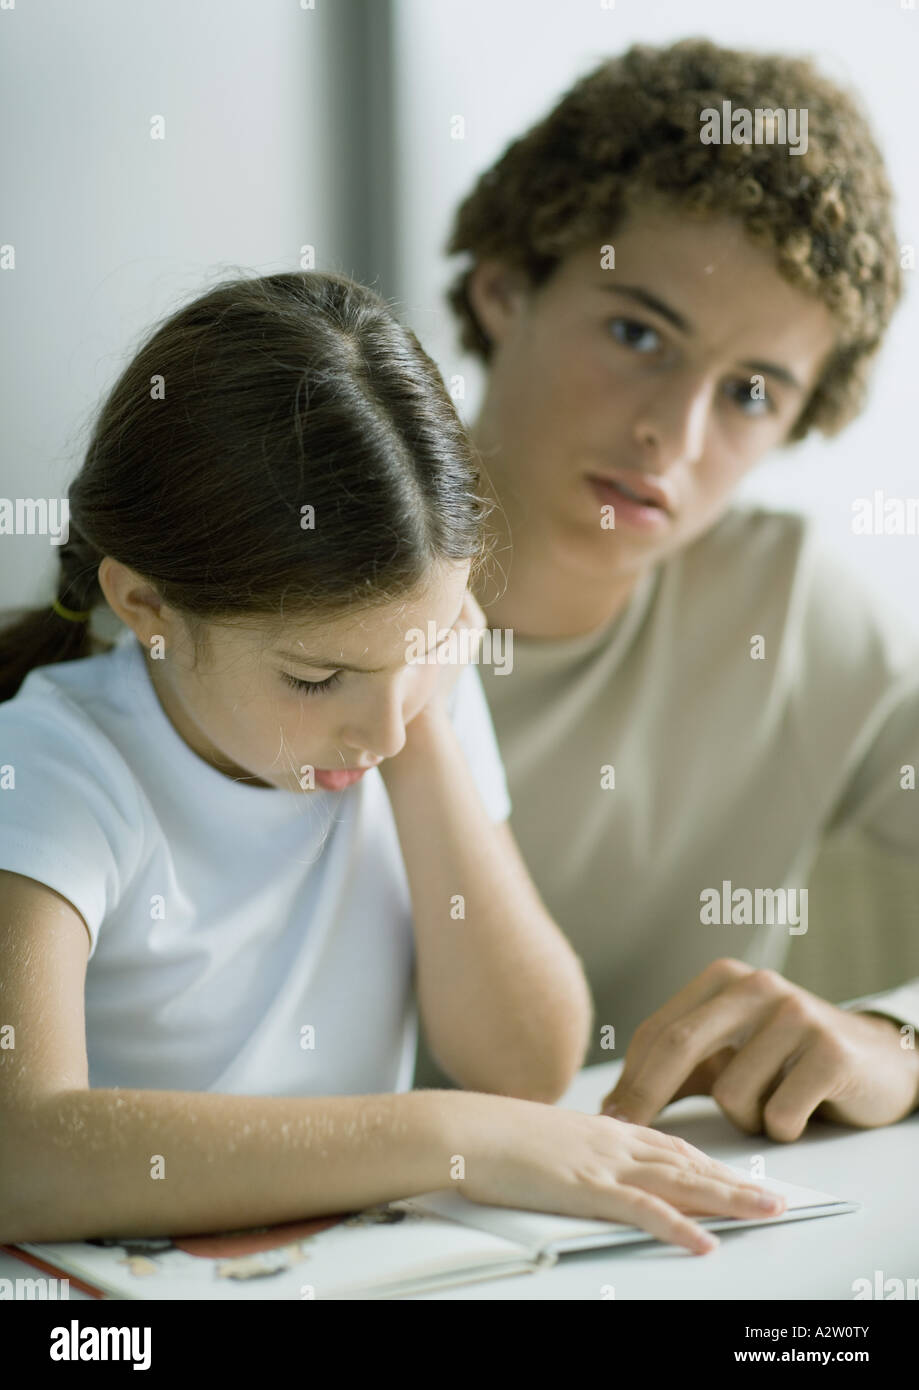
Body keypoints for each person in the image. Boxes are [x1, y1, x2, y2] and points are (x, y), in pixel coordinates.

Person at [0, 269, 781, 1255]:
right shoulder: (54, 766)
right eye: (316, 677)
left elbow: (524, 1065)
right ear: (149, 608)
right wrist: (439, 1135)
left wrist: (427, 737)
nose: (378, 729)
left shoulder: (407, 708)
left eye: (422, 652)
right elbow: (18, 1154)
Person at [411, 38, 919, 1139]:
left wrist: (896, 1040)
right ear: (505, 287)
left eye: (749, 392)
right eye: (637, 333)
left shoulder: (791, 617)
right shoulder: (256, 582)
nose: (672, 435)